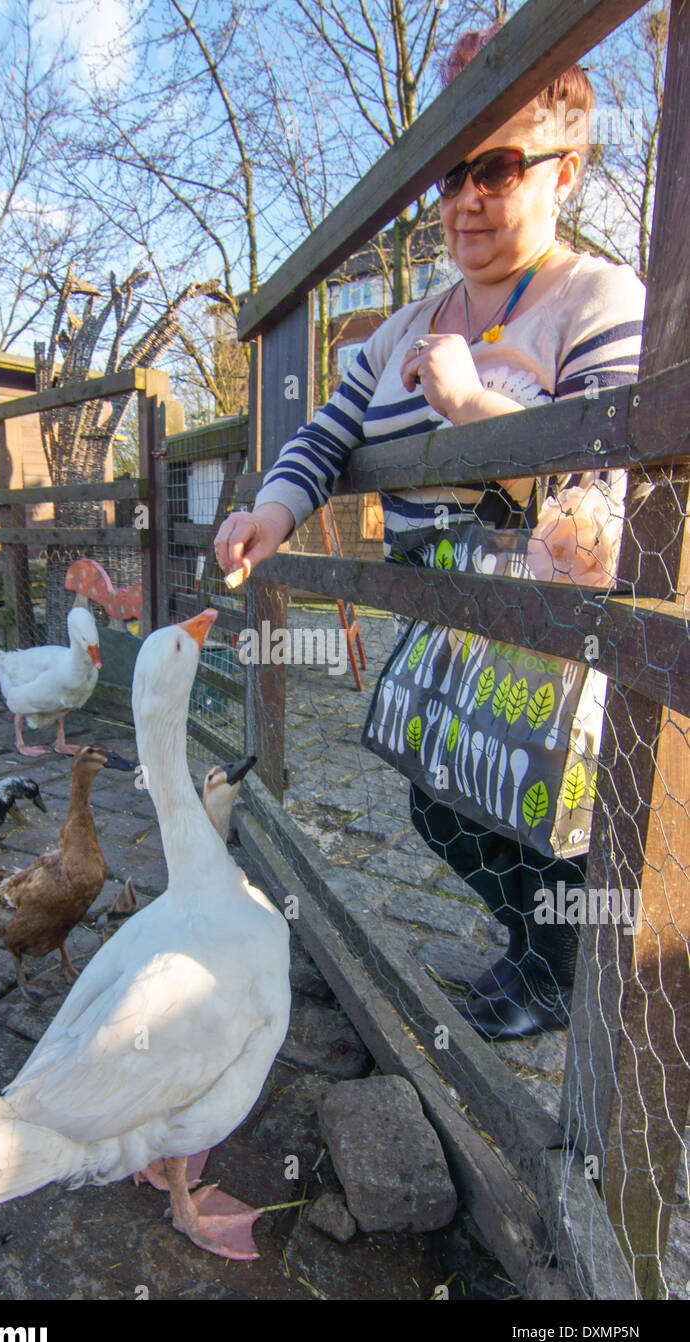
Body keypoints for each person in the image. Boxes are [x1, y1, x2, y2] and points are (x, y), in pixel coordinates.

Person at [214, 25, 645, 1040]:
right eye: (449, 174)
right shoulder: (400, 327)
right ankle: (551, 959)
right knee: (438, 799)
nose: (464, 200)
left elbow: (602, 486)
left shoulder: (597, 299)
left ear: (565, 169)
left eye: (494, 168)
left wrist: (468, 408)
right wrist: (269, 514)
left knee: (551, 814)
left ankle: (570, 975)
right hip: (446, 623)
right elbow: (323, 436)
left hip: (553, 635)